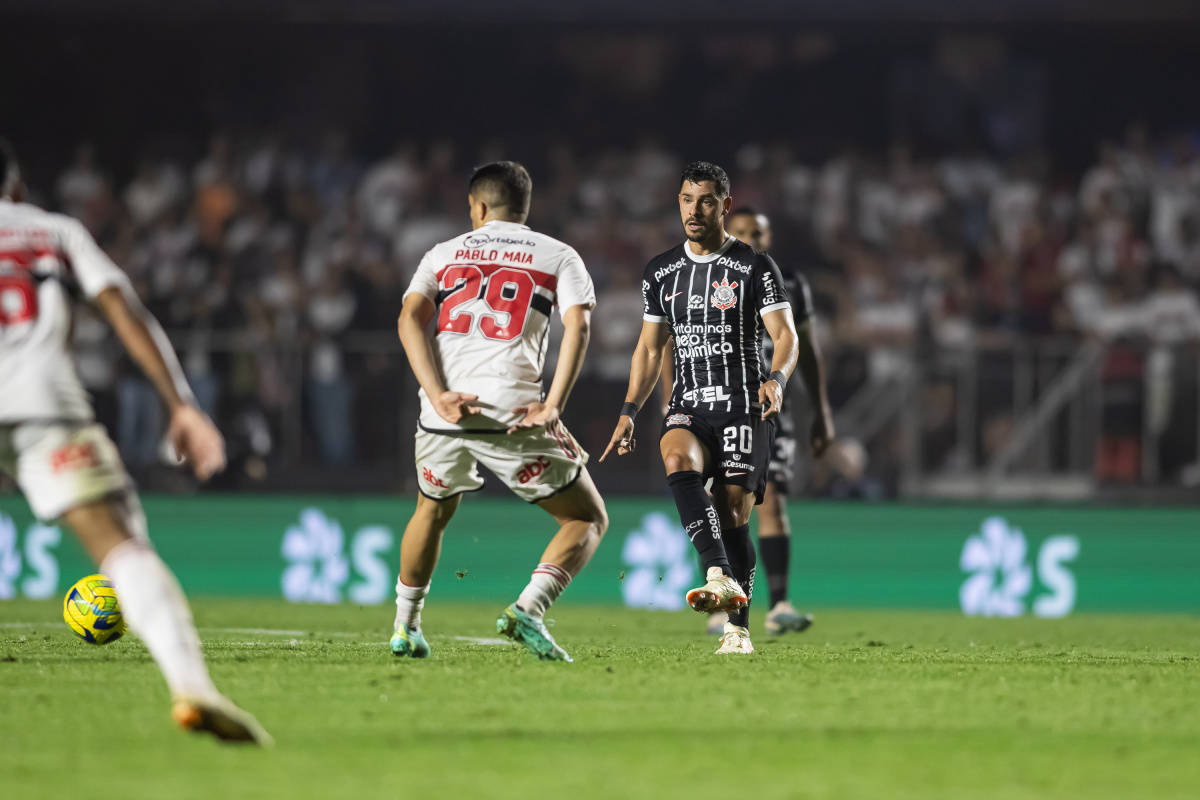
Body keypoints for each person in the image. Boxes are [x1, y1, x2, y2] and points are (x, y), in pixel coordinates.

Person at [0, 139, 268, 744]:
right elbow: (121, 307)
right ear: (14, 187)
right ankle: (192, 687)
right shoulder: (51, 231)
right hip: (40, 399)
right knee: (123, 546)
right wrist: (181, 403)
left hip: (39, 399)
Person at [393, 161, 607, 662]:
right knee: (587, 519)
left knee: (432, 509)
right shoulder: (558, 254)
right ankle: (529, 609)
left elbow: (409, 319)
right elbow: (578, 327)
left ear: (480, 206)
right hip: (512, 411)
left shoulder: (442, 253)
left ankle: (405, 627)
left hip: (442, 412)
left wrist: (438, 394)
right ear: (524, 208)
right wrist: (553, 404)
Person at [601, 162, 801, 655]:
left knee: (734, 512)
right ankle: (717, 572)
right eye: (688, 199)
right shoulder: (661, 272)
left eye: (706, 200)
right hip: (689, 404)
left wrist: (776, 379)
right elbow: (649, 350)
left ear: (725, 206)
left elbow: (786, 336)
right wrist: (629, 410)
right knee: (675, 458)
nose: (695, 210)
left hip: (744, 407)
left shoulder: (754, 267)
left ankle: (737, 629)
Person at [661, 208, 834, 636]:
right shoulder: (696, 275)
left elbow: (804, 348)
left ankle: (777, 604)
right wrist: (671, 400)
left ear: (768, 236)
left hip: (768, 405)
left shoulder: (786, 281)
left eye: (755, 231)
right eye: (740, 231)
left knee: (771, 498)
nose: (748, 237)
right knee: (719, 501)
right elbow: (667, 340)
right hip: (708, 402)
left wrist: (821, 411)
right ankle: (725, 595)